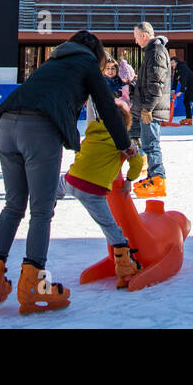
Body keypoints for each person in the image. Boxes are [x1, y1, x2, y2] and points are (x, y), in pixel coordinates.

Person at [0, 30, 137, 314]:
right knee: (41, 210)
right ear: (95, 51)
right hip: (39, 127)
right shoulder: (87, 62)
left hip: (6, 124)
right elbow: (106, 106)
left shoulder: (52, 61)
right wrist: (125, 145)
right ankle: (33, 284)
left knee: (13, 206)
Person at [55, 97, 148, 288]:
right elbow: (138, 162)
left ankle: (45, 206)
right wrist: (129, 180)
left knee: (55, 188)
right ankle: (124, 265)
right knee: (110, 226)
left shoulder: (92, 131)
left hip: (71, 179)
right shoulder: (122, 140)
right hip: (92, 190)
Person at [131, 22, 171, 196]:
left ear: (145, 35)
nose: (135, 41)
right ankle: (152, 176)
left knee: (152, 145)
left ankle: (158, 179)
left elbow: (156, 85)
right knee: (147, 144)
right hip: (148, 108)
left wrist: (147, 108)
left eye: (136, 36)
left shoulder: (156, 53)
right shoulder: (151, 52)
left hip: (151, 110)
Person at [172, 57, 193, 125]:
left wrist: (181, 91)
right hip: (188, 86)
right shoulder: (176, 70)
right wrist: (173, 90)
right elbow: (175, 80)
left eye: (172, 63)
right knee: (186, 101)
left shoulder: (183, 67)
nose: (171, 65)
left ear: (176, 62)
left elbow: (184, 79)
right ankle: (189, 118)